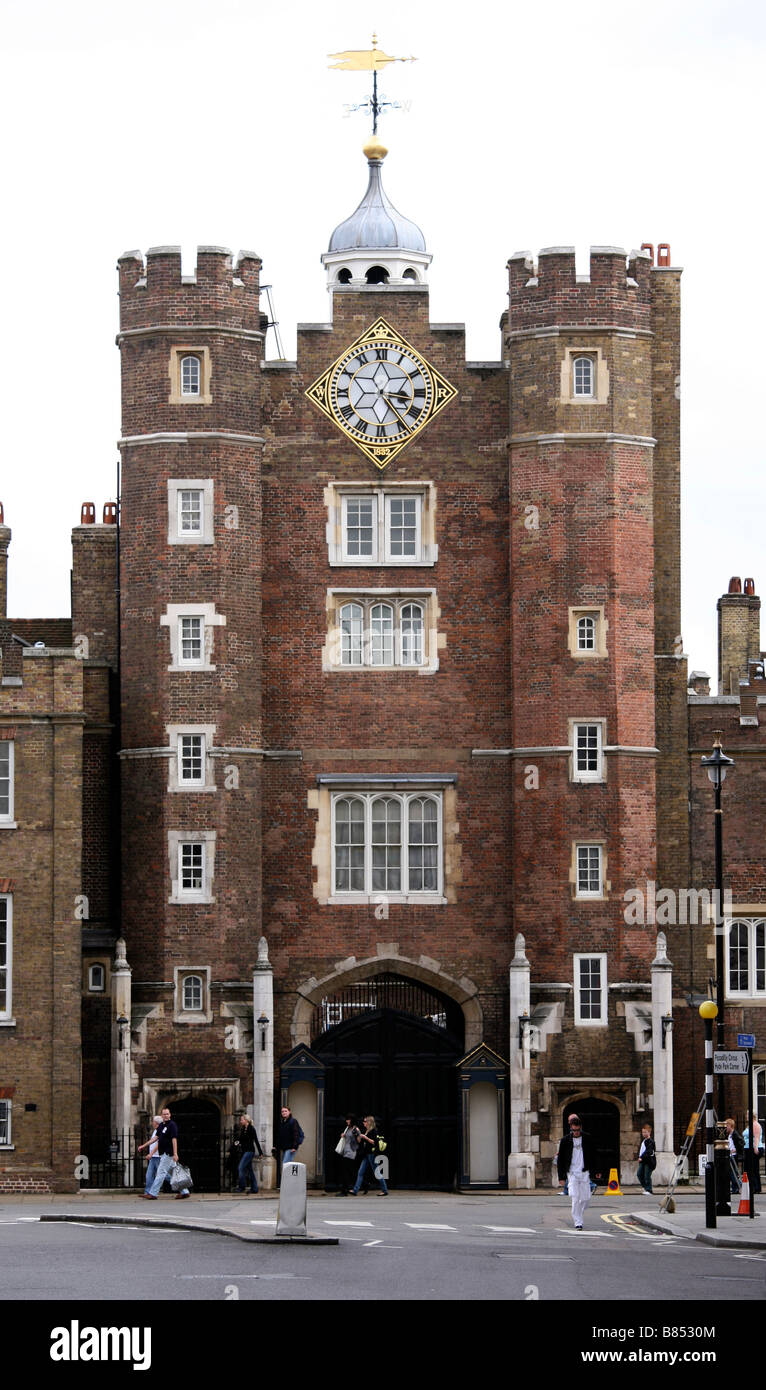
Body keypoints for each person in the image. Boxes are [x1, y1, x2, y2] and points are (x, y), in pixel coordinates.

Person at [556, 1114, 600, 1229]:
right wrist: (561, 1177)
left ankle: (579, 1213)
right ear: (570, 1128)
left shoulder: (588, 1138)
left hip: (584, 1172)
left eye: (577, 1130)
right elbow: (560, 1160)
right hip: (572, 1173)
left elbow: (594, 1155)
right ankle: (578, 1222)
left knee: (586, 1199)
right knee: (575, 1197)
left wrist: (597, 1171)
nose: (576, 1132)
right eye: (573, 1130)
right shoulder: (565, 1140)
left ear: (580, 1127)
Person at [142, 1106, 190, 1199]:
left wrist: (175, 1153)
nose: (166, 1116)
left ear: (170, 1115)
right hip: (163, 1153)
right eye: (164, 1114)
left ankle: (153, 1193)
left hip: (168, 1153)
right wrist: (144, 1146)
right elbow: (155, 1138)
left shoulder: (172, 1125)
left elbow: (174, 1139)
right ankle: (184, 1191)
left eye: (167, 1114)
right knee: (173, 1173)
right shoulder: (161, 1126)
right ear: (162, 1115)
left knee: (161, 1173)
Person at [349, 1115, 388, 1196]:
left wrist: (365, 1137)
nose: (364, 1123)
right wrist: (358, 1133)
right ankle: (355, 1190)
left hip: (372, 1154)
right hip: (366, 1154)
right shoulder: (366, 1131)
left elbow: (374, 1142)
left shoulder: (373, 1131)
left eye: (365, 1121)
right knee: (360, 1172)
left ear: (369, 1122)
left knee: (377, 1172)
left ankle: (384, 1190)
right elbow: (360, 1141)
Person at [236, 1112, 264, 1194]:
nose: (240, 1121)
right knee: (250, 1170)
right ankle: (254, 1189)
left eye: (241, 1120)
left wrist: (260, 1152)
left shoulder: (251, 1129)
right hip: (244, 1151)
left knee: (240, 1168)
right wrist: (237, 1142)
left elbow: (256, 1140)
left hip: (249, 1152)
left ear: (246, 1120)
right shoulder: (243, 1129)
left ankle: (242, 1187)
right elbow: (240, 1140)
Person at [137, 1114, 162, 1197]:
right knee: (149, 1175)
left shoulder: (160, 1130)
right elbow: (152, 1141)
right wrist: (143, 1146)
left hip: (158, 1156)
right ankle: (148, 1192)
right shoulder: (156, 1130)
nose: (152, 1123)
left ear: (156, 1123)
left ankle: (183, 1189)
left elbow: (159, 1144)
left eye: (153, 1121)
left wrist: (151, 1154)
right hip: (154, 1157)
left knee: (165, 1176)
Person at [336, 1116, 360, 1195]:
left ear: (352, 1120)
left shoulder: (355, 1129)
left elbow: (359, 1141)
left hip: (351, 1152)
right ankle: (365, 1184)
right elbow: (347, 1138)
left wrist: (356, 1134)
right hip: (345, 1151)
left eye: (348, 1119)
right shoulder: (347, 1128)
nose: (347, 1121)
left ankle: (344, 1191)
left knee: (345, 1172)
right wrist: (343, 1135)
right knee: (351, 1171)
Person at [743, 1112, 763, 1195]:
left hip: (753, 1148)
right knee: (749, 1168)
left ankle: (756, 1187)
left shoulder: (755, 1124)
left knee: (753, 1168)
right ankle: (753, 1187)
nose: (746, 1116)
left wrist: (755, 1148)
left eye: (748, 1114)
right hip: (748, 1149)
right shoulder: (750, 1125)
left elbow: (757, 1137)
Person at [724, 1117, 744, 1195]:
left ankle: (740, 1185)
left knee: (733, 1173)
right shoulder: (730, 1135)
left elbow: (741, 1143)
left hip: (734, 1156)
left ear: (730, 1126)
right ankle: (735, 1188)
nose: (725, 1128)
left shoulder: (735, 1134)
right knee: (732, 1173)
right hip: (730, 1155)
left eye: (727, 1126)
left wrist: (735, 1150)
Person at [636, 1123, 656, 1195]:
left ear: (649, 1132)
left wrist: (641, 1157)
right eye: (643, 1132)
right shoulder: (644, 1141)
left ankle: (649, 1190)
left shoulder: (650, 1141)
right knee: (639, 1174)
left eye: (645, 1132)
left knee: (647, 1176)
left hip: (649, 1162)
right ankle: (646, 1188)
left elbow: (649, 1151)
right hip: (643, 1161)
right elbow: (642, 1150)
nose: (643, 1134)